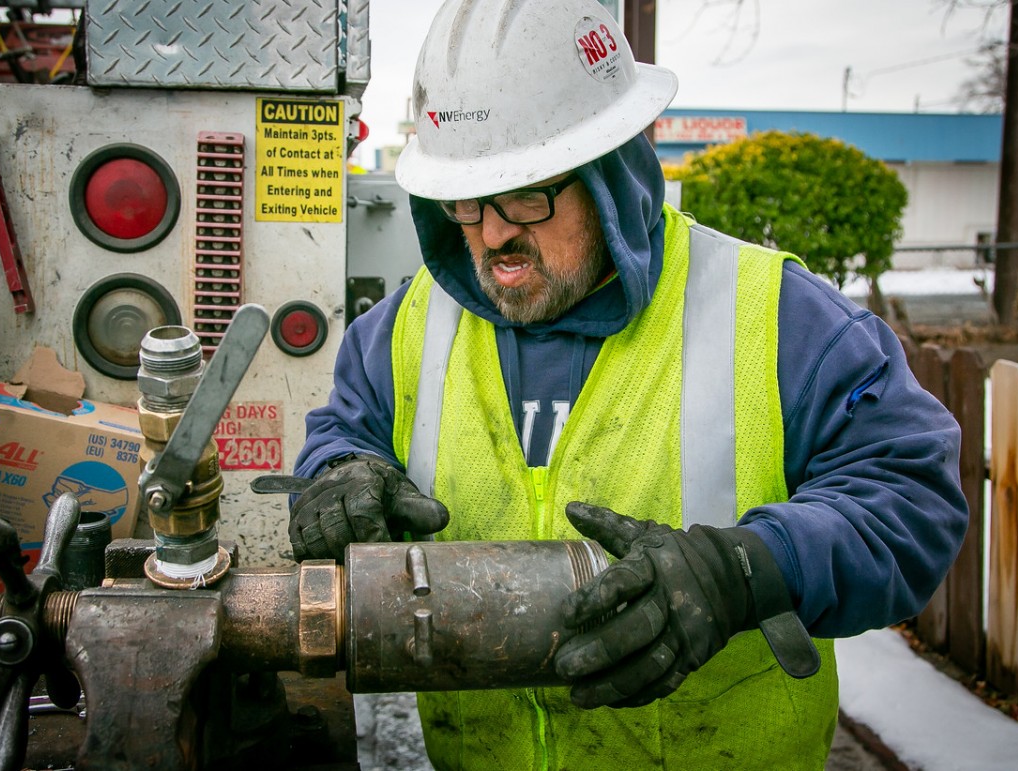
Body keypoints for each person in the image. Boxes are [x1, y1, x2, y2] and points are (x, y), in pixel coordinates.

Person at [289, 0, 968, 767]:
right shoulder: (410, 325)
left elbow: (913, 498)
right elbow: (345, 432)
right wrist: (342, 476)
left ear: (613, 169)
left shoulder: (776, 316)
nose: (493, 233)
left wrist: (744, 571)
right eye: (466, 200)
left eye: (526, 192)